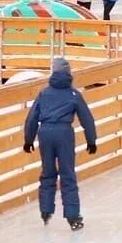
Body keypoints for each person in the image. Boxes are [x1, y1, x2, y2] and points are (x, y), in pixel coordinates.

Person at [22, 58, 97, 230]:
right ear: (69, 73)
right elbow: (86, 118)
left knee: (48, 171)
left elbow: (32, 117)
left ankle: (46, 210)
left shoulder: (44, 93)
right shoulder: (73, 94)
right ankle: (72, 215)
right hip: (64, 133)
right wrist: (91, 140)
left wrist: (28, 139)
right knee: (67, 173)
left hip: (45, 133)